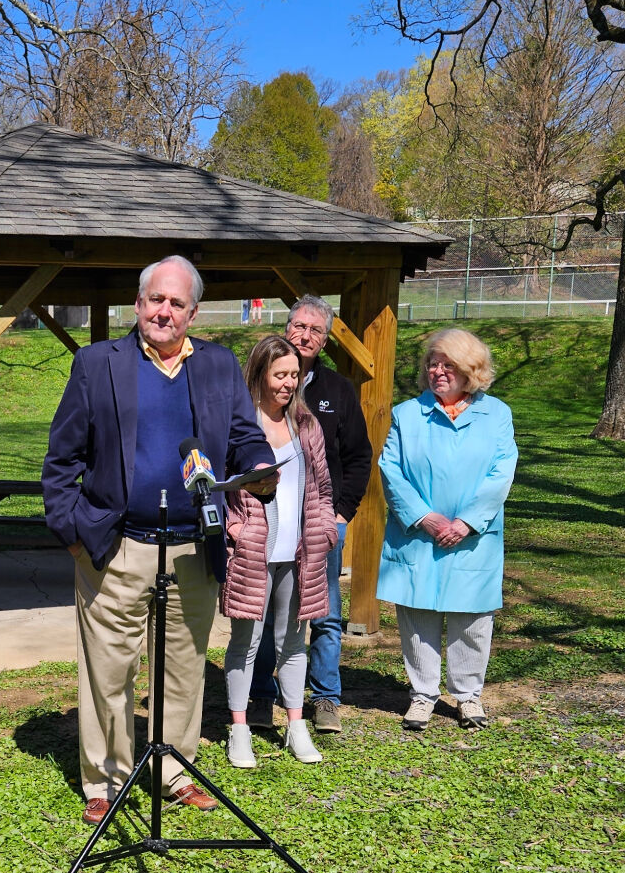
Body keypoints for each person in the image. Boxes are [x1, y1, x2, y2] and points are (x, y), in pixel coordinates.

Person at [43, 255, 276, 826]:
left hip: (195, 548)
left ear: (193, 312)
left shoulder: (220, 366)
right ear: (137, 303)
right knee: (109, 669)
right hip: (116, 546)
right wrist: (76, 535)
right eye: (154, 299)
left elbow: (244, 438)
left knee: (183, 666)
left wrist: (261, 465)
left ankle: (174, 771)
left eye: (175, 303)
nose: (163, 311)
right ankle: (107, 778)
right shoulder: (98, 363)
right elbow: (60, 460)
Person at [376, 328, 518, 732]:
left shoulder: (498, 415)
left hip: (474, 537)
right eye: (433, 364)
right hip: (419, 535)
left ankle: (468, 697)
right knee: (417, 615)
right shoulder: (407, 414)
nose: (438, 371)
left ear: (470, 370)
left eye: (448, 364)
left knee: (472, 618)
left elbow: (500, 472)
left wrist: (467, 522)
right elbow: (391, 470)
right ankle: (422, 696)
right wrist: (426, 517)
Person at [247, 296, 371, 733]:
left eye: (315, 330)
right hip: (270, 523)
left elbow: (358, 457)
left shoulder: (337, 391)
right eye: (298, 326)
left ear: (325, 339)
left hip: (319, 526)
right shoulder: (261, 387)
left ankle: (324, 699)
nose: (304, 335)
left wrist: (341, 514)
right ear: (286, 328)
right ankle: (261, 696)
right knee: (262, 614)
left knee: (325, 614)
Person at [222, 335, 338, 767]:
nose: (289, 383)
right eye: (281, 375)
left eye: (295, 375)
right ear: (260, 374)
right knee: (246, 643)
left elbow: (323, 488)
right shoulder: (240, 424)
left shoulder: (306, 426)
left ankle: (295, 726)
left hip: (300, 551)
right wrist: (236, 530)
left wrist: (324, 530)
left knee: (293, 641)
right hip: (253, 552)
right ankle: (239, 730)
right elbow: (222, 488)